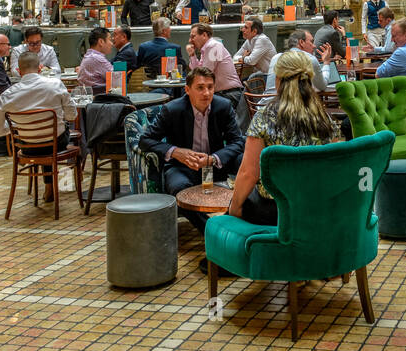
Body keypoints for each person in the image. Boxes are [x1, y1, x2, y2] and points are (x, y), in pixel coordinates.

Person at [229, 51, 341, 229]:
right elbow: (335, 163)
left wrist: (233, 208)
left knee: (241, 200)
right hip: (315, 204)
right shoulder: (323, 117)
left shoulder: (264, 117)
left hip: (275, 210)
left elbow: (249, 173)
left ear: (278, 80)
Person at [140, 67, 245, 234]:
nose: (206, 93)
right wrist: (176, 152)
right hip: (183, 166)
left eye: (210, 87)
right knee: (179, 187)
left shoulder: (223, 106)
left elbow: (238, 141)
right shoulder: (172, 109)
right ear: (187, 90)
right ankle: (214, 233)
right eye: (200, 87)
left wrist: (214, 158)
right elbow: (145, 140)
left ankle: (238, 220)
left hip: (216, 164)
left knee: (247, 166)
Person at [0, 50, 78, 202]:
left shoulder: (8, 95)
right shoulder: (55, 85)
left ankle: (50, 187)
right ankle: (64, 184)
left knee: (42, 139)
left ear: (18, 71)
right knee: (61, 136)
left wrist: (16, 127)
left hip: (28, 146)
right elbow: (72, 115)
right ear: (40, 68)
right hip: (57, 142)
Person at [186, 22, 245, 118]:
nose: (190, 40)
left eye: (193, 36)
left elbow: (204, 75)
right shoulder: (207, 49)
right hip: (222, 94)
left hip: (229, 94)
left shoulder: (213, 46)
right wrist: (192, 55)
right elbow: (199, 71)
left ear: (204, 35)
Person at [262, 30, 332, 99]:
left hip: (262, 106)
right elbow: (322, 86)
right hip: (287, 107)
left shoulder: (275, 57)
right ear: (301, 42)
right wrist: (326, 62)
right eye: (312, 42)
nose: (314, 46)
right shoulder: (309, 59)